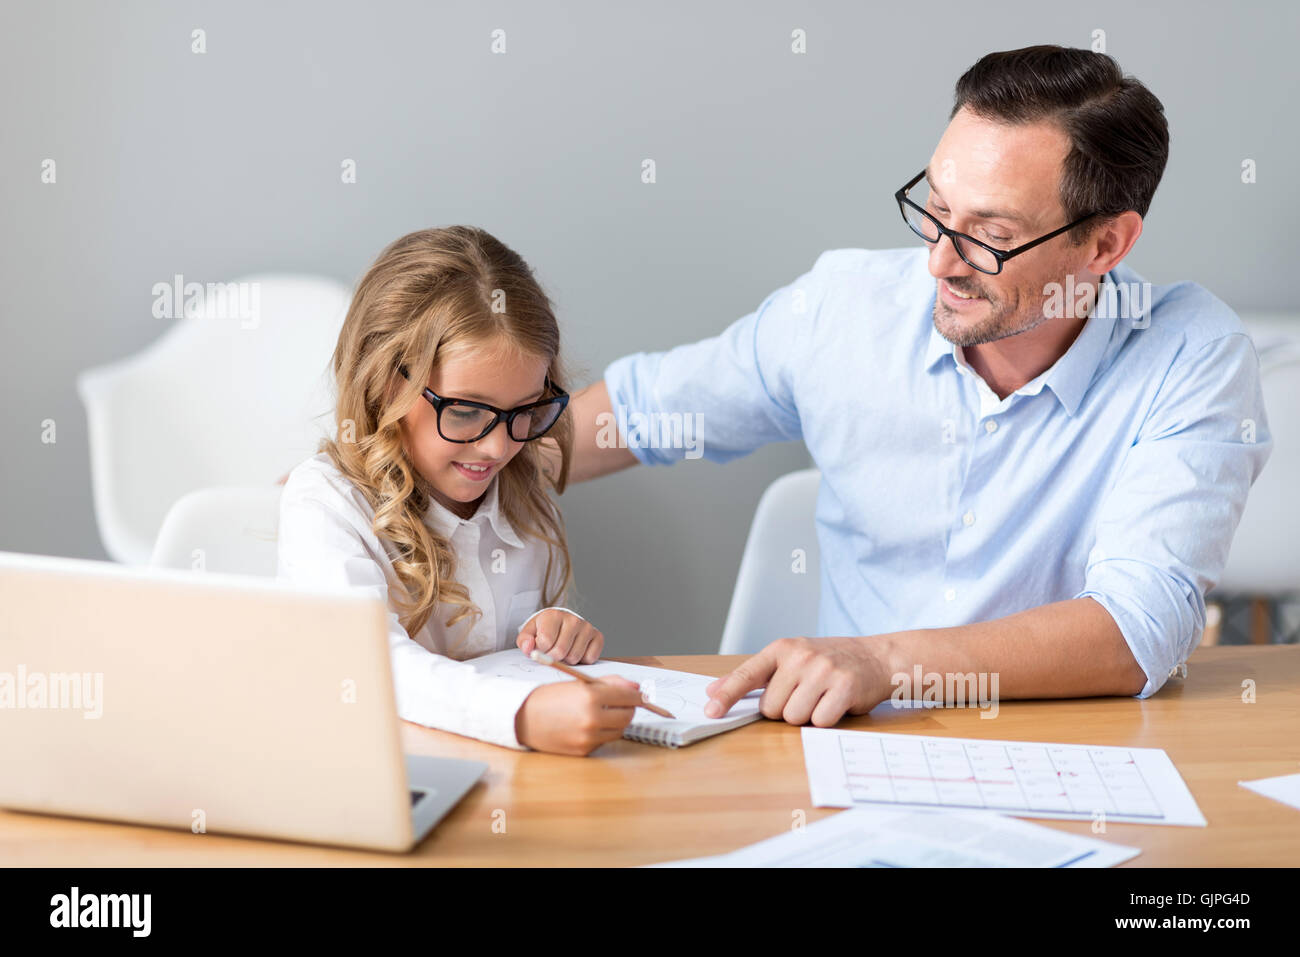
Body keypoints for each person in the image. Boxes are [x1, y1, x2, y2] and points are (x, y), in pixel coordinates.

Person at [555, 45, 1272, 726]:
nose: (938, 263)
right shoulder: (844, 308)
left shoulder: (1190, 354)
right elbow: (639, 414)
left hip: (1069, 757)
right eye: (935, 209)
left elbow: (1137, 627)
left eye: (989, 235)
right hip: (850, 749)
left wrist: (885, 661)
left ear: (1105, 245)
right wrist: (457, 463)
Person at [277, 226, 644, 756]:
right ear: (385, 382)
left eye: (523, 413)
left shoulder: (524, 501)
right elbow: (369, 665)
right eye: (467, 411)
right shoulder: (326, 505)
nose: (498, 449)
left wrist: (558, 633)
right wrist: (522, 716)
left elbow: (520, 659)